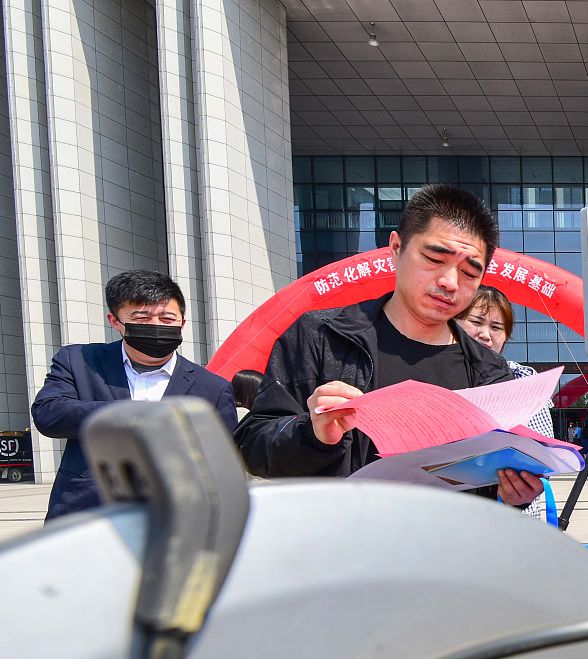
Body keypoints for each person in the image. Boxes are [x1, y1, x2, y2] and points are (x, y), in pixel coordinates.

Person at [234, 184, 544, 509]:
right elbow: (253, 445)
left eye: (469, 272)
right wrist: (311, 433)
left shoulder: (490, 374)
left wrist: (510, 495)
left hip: (449, 551)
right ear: (396, 247)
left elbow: (487, 484)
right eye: (434, 258)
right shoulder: (321, 338)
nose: (450, 282)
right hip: (337, 546)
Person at [31, 270, 237, 520]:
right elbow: (49, 414)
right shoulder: (78, 361)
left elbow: (222, 464)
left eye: (167, 318)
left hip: (173, 521)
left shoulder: (212, 388)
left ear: (182, 322)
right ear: (115, 320)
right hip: (86, 515)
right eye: (142, 317)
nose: (156, 326)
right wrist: (132, 414)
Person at [456, 285, 556, 521]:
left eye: (496, 327)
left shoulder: (521, 380)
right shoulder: (435, 377)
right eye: (476, 322)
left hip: (510, 517)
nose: (485, 334)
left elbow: (543, 454)